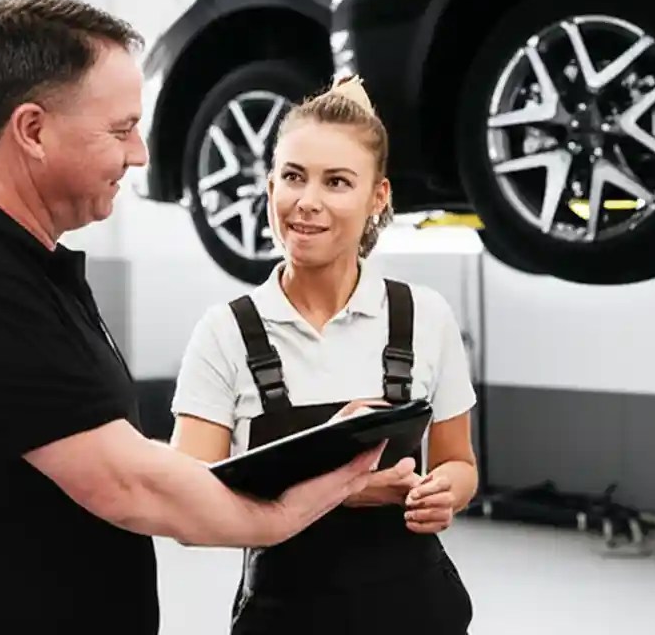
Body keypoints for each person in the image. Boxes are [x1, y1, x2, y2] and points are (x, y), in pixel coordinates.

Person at [0, 0, 384, 635]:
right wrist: (290, 512)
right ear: (33, 130)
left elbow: (111, 450)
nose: (141, 154)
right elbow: (130, 487)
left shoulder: (22, 266)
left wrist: (305, 451)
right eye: (121, 129)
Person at [169, 75, 480, 635]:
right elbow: (186, 502)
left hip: (416, 613)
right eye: (293, 177)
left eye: (337, 182)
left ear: (377, 197)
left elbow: (460, 463)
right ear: (269, 188)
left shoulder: (424, 317)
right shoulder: (226, 334)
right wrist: (346, 489)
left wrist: (443, 493)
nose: (307, 202)